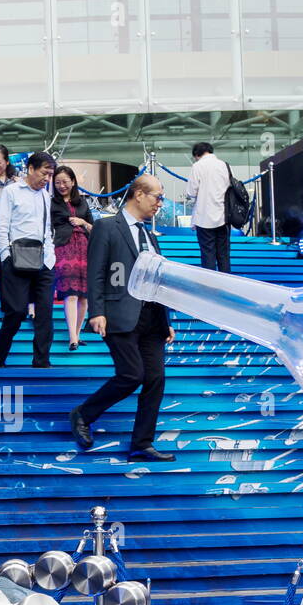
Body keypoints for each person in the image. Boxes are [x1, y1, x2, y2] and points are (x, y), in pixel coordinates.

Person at [69, 174, 177, 462]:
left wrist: (166, 320)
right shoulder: (107, 227)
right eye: (158, 197)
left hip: (152, 318)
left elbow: (157, 279)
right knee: (132, 374)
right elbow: (96, 272)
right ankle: (83, 413)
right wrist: (97, 311)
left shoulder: (151, 236)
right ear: (139, 194)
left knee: (155, 379)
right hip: (119, 313)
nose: (160, 203)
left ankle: (142, 444)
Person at [0, 151, 56, 368]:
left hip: (44, 260)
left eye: (50, 175)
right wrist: (5, 257)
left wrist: (50, 256)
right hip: (16, 260)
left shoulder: (46, 195)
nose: (47, 178)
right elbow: (1, 228)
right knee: (16, 311)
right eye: (44, 173)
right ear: (30, 169)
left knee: (45, 312)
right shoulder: (11, 192)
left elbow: (47, 229)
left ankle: (41, 361)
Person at [50, 165, 94, 350]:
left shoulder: (83, 202)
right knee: (70, 293)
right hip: (64, 248)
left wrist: (82, 222)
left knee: (84, 296)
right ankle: (72, 337)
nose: (61, 185)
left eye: (65, 182)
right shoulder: (51, 203)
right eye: (58, 182)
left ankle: (77, 333)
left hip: (84, 248)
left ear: (73, 182)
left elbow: (94, 227)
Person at [186, 141, 232, 273]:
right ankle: (227, 283)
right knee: (223, 254)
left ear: (197, 154)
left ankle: (209, 285)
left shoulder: (197, 166)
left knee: (207, 254)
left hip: (204, 217)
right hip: (223, 216)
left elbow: (191, 192)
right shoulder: (224, 165)